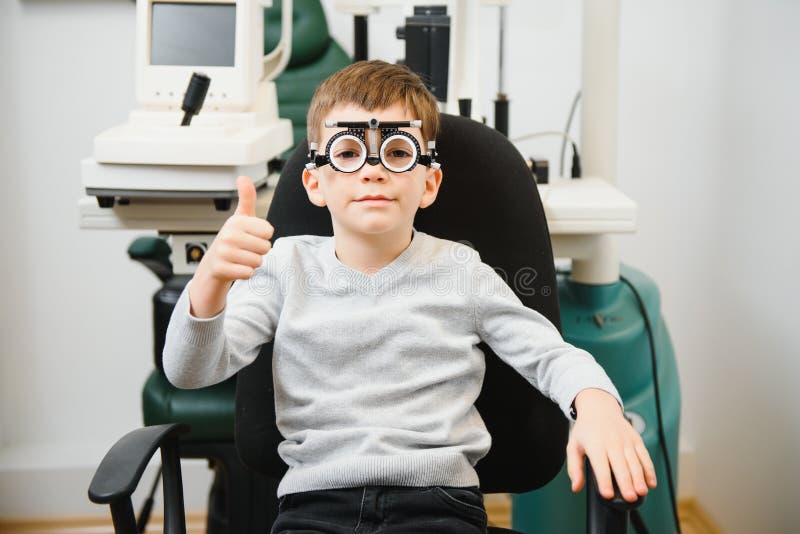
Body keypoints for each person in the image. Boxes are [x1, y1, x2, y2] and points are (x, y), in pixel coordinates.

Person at [163, 60, 656, 534]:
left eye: (397, 152)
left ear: (429, 182)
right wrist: (209, 283)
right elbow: (189, 371)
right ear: (314, 181)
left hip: (439, 504)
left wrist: (599, 406)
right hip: (315, 506)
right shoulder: (282, 268)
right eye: (349, 152)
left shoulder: (461, 272)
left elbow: (550, 355)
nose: (373, 170)